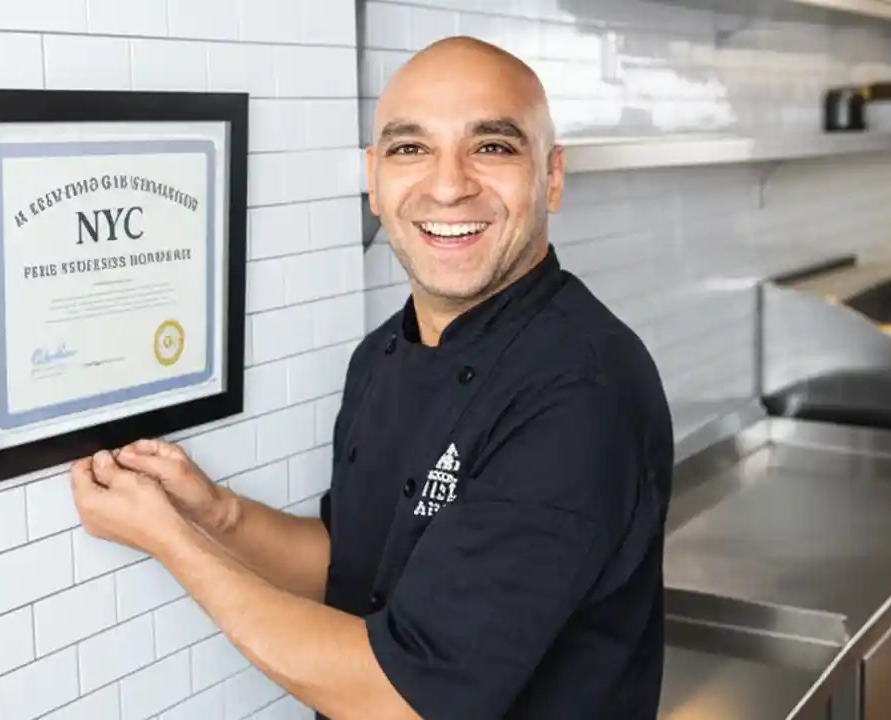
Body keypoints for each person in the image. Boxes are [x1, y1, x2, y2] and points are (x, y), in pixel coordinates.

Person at [70, 35, 673, 720]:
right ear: (374, 180)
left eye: (493, 147)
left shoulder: (578, 394)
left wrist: (169, 543)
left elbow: (399, 697)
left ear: (552, 177)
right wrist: (216, 515)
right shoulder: (383, 353)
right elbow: (352, 560)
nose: (448, 185)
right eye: (410, 148)